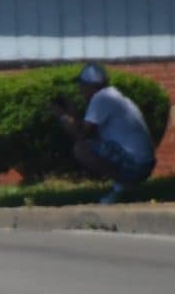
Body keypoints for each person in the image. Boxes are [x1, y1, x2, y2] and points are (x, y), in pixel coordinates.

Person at [54, 62, 154, 201]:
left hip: (135, 165)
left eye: (82, 86)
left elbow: (82, 135)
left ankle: (126, 188)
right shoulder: (111, 95)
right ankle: (123, 188)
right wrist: (73, 112)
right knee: (88, 145)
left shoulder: (101, 98)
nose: (80, 90)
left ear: (90, 86)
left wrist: (62, 117)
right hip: (143, 163)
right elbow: (91, 132)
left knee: (82, 149)